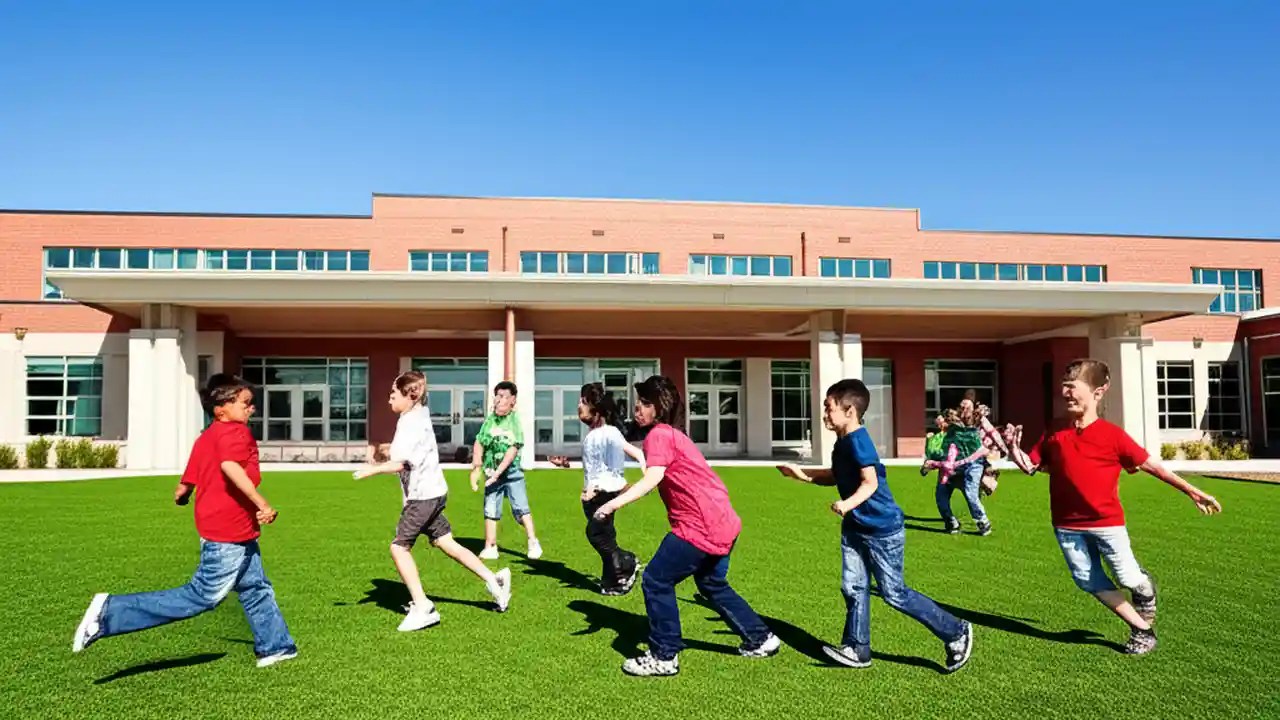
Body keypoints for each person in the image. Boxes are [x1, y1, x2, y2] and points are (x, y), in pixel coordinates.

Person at [71, 373, 298, 668]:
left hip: (231, 529)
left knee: (256, 588)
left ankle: (276, 646)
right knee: (203, 595)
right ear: (221, 408)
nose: (251, 408)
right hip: (228, 530)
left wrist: (184, 490)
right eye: (246, 403)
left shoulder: (209, 435)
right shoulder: (236, 433)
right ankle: (110, 612)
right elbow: (230, 466)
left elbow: (193, 470)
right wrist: (262, 503)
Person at [1003, 358, 1223, 654]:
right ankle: (1142, 630)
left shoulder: (1112, 436)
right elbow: (1032, 466)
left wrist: (1192, 491)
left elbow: (1153, 467)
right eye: (1063, 387)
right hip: (1067, 526)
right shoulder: (1054, 432)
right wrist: (1013, 449)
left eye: (1072, 387)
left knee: (1127, 578)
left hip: (1107, 525)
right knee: (1088, 581)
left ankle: (1143, 586)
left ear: (1098, 391)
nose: (1065, 393)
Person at [779, 378, 973, 673]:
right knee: (853, 587)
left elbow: (869, 483)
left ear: (850, 411)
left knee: (894, 594)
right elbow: (837, 475)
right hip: (856, 527)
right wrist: (802, 475)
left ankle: (956, 631)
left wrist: (846, 504)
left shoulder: (859, 440)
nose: (824, 414)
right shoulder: (843, 441)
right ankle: (857, 649)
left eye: (829, 408)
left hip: (882, 528)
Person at [593, 375, 780, 677]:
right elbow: (655, 478)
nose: (637, 409)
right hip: (725, 521)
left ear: (660, 407)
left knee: (655, 580)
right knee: (711, 583)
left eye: (644, 403)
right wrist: (619, 493)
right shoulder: (675, 436)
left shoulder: (659, 435)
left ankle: (664, 656)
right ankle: (761, 638)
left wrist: (612, 505)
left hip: (699, 526)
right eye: (638, 402)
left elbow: (652, 479)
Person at [353, 371, 512, 630]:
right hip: (435, 492)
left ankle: (424, 607)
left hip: (423, 497)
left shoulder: (410, 423)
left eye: (394, 395)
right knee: (446, 542)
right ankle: (495, 581)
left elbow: (403, 464)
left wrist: (372, 469)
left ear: (410, 396)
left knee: (399, 548)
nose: (389, 399)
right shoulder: (420, 413)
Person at [548, 382, 644, 595]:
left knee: (596, 534)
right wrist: (567, 464)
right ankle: (612, 581)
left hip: (603, 495)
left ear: (597, 410)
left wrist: (649, 475)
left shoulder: (610, 432)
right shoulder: (593, 435)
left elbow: (634, 453)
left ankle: (627, 561)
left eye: (584, 402)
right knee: (606, 538)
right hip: (592, 496)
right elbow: (596, 467)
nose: (578, 406)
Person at [470, 381, 542, 560]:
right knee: (491, 508)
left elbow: (512, 450)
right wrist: (477, 467)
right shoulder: (490, 420)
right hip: (491, 471)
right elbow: (480, 441)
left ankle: (533, 541)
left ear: (512, 401)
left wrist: (498, 473)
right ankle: (490, 546)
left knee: (520, 508)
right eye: (497, 396)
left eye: (504, 397)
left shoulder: (514, 421)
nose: (499, 400)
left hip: (511, 473)